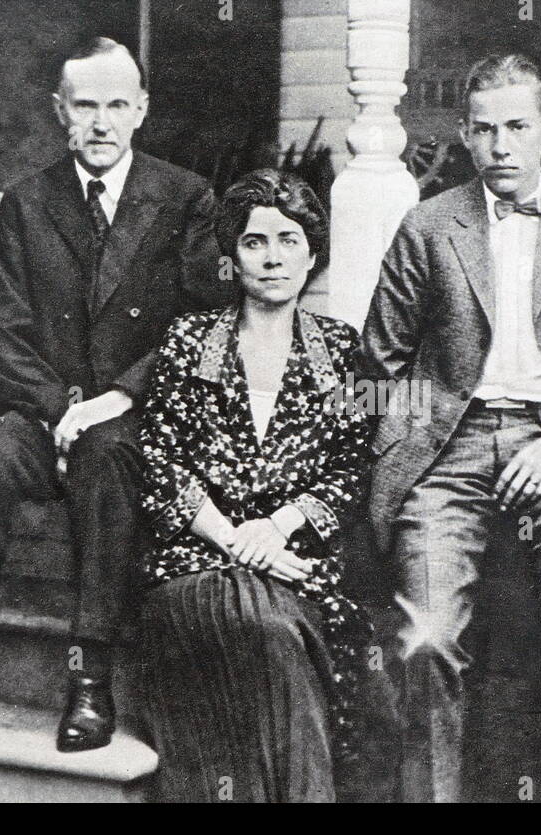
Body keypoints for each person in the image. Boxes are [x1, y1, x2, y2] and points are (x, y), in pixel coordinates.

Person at [0, 37, 230, 750]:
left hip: (129, 412)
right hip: (46, 409)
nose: (101, 122)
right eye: (85, 106)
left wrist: (119, 395)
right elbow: (5, 329)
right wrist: (61, 410)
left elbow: (204, 321)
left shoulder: (184, 198)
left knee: (111, 464)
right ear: (60, 112)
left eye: (118, 105)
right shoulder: (28, 203)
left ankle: (90, 683)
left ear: (142, 110)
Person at [358, 54, 541, 802]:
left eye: (517, 127)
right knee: (428, 630)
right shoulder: (428, 225)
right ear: (464, 136)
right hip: (448, 442)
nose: (501, 147)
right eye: (484, 130)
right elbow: (378, 364)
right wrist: (410, 446)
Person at [137, 169, 374, 801]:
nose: (273, 258)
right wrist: (235, 538)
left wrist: (279, 528)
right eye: (254, 242)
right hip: (192, 565)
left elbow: (351, 468)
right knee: (263, 628)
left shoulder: (343, 353)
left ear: (313, 253)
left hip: (295, 568)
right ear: (231, 257)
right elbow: (161, 461)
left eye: (289, 240)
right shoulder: (189, 342)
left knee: (275, 627)